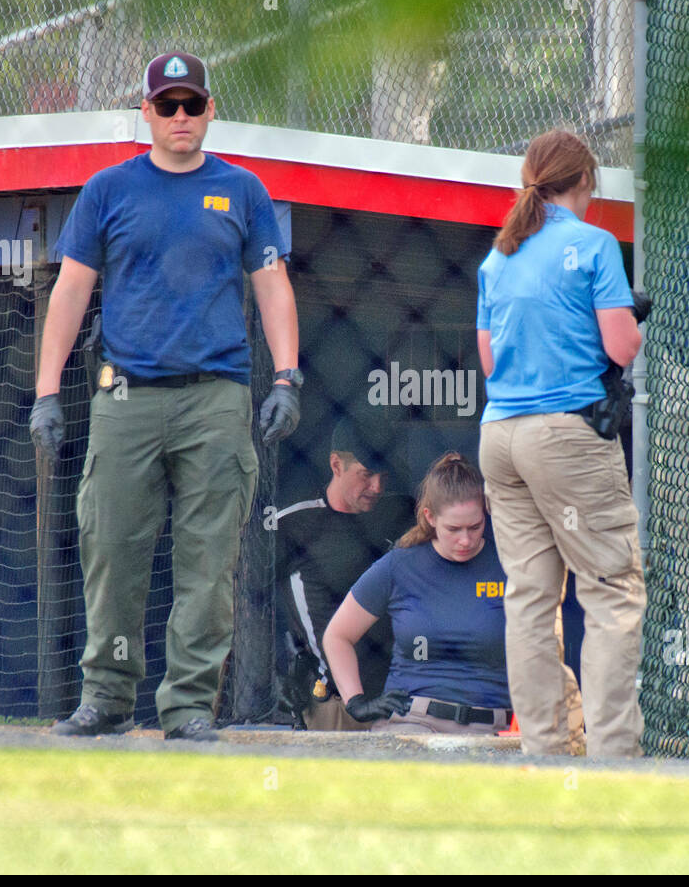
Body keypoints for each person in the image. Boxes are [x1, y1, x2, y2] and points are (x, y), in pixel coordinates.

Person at [29, 51, 301, 742]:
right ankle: (107, 697)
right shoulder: (107, 190)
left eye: (192, 104)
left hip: (216, 396)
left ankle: (187, 705)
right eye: (167, 105)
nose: (180, 117)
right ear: (145, 113)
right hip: (124, 396)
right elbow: (70, 290)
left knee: (208, 560)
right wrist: (47, 391)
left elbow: (272, 286)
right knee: (112, 547)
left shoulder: (244, 191)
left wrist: (288, 377)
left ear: (211, 111)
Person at [476, 129, 646, 758]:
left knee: (528, 598)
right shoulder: (594, 244)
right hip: (566, 435)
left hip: (501, 435)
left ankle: (543, 753)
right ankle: (612, 758)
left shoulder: (498, 257)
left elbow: (489, 361)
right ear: (585, 183)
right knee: (609, 590)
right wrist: (624, 311)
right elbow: (621, 347)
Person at [321, 454, 516, 735]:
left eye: (474, 527)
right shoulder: (400, 565)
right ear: (430, 517)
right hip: (414, 721)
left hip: (493, 725)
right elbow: (338, 635)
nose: (465, 539)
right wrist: (356, 702)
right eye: (453, 529)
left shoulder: (508, 564)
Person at [273, 416, 414, 730]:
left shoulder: (401, 515)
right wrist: (274, 673)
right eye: (365, 475)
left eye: (383, 476)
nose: (376, 486)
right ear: (336, 465)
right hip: (333, 701)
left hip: (401, 699)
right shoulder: (291, 525)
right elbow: (250, 604)